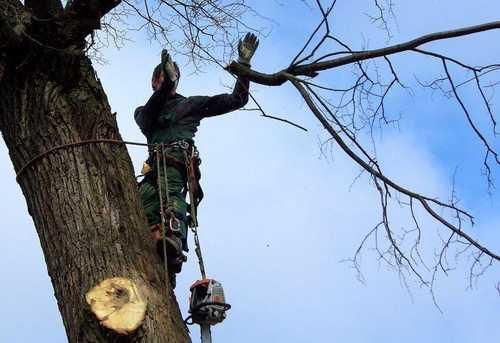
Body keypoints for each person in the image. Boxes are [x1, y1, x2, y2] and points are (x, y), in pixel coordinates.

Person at [135, 33, 259, 287]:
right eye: (163, 77)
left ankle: (171, 238)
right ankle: (152, 240)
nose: (167, 81)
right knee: (143, 200)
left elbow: (238, 100)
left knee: (170, 197)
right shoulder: (144, 112)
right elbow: (149, 116)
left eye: (171, 77)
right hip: (152, 171)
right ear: (153, 82)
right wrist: (166, 84)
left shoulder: (191, 105)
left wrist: (243, 66)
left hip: (175, 162)